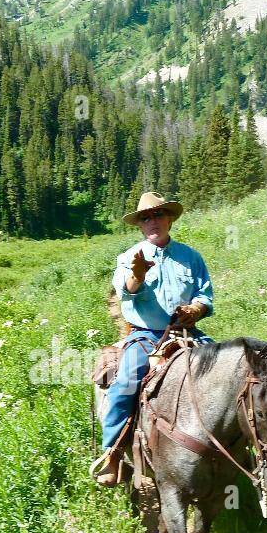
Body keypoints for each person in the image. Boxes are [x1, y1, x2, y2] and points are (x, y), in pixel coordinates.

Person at [92, 192, 214, 487]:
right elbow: (128, 290)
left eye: (158, 215)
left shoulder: (190, 257)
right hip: (147, 334)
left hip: (187, 332)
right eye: (145, 218)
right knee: (127, 379)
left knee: (223, 373)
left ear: (169, 218)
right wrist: (137, 275)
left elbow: (205, 296)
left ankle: (232, 448)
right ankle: (114, 452)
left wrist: (195, 309)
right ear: (140, 225)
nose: (152, 222)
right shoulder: (129, 257)